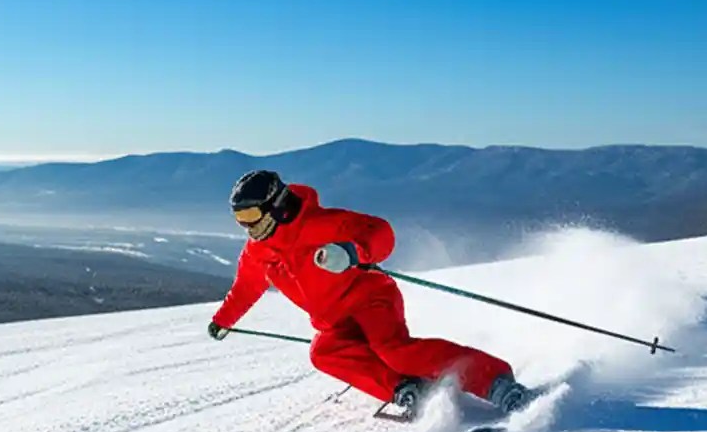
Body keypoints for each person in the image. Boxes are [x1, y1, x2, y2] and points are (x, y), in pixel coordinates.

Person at [208, 169, 533, 417]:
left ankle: (496, 383)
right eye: (239, 219)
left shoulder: (322, 224)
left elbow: (381, 234)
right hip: (334, 320)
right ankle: (407, 389)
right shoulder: (258, 252)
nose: (246, 226)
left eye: (251, 216)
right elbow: (246, 288)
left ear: (276, 205)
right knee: (323, 352)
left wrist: (352, 252)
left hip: (370, 301)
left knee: (394, 350)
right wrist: (224, 320)